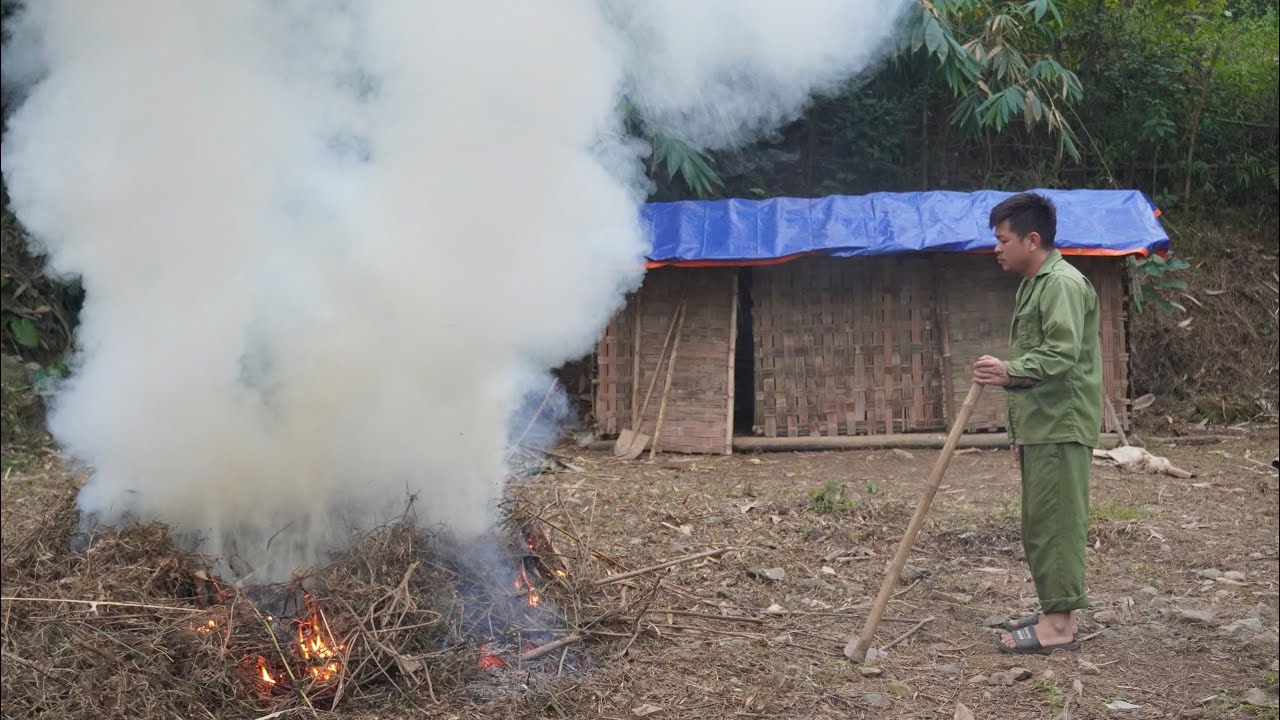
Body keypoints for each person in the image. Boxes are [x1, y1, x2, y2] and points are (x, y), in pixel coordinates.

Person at [972, 192, 1102, 655]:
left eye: (1003, 239)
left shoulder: (1061, 283)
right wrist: (1018, 431)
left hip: (1060, 425)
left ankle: (1060, 627)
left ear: (1032, 238)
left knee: (1056, 524)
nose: (997, 247)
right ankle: (1053, 611)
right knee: (1039, 524)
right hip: (1041, 425)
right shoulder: (1034, 283)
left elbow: (1062, 353)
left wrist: (1009, 370)